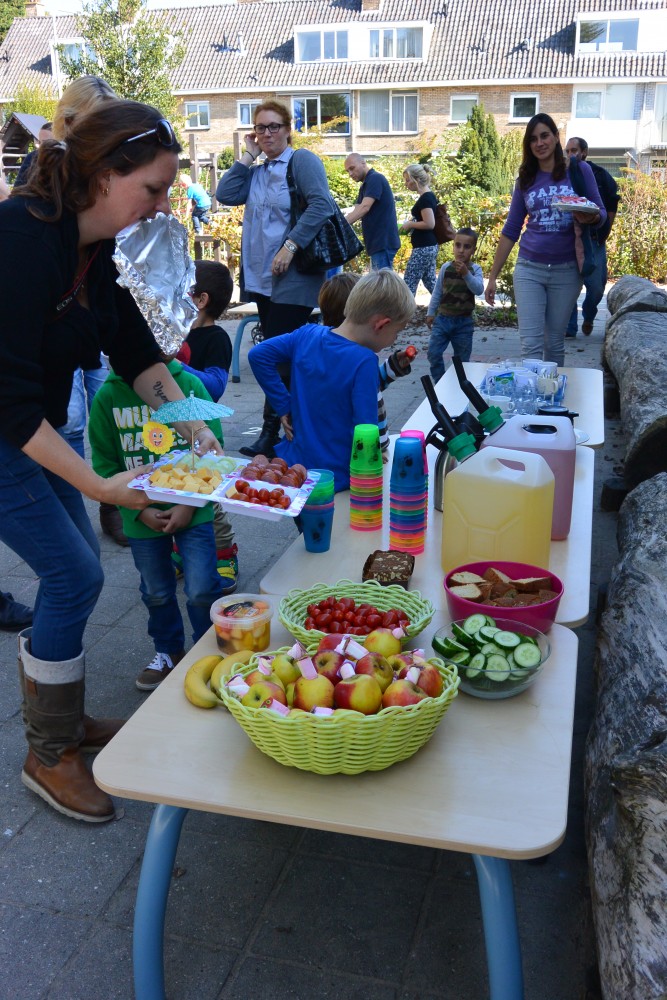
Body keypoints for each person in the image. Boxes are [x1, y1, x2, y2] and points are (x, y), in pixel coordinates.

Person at [0, 98, 222, 824]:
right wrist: (98, 484)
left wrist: (192, 423)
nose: (163, 205)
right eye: (152, 189)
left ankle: (63, 726)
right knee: (76, 573)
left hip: (29, 431)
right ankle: (47, 752)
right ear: (101, 174)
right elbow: (11, 403)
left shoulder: (91, 250)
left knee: (74, 577)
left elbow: (134, 354)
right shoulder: (23, 243)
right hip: (8, 434)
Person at [89, 358, 226, 691]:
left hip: (194, 509)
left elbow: (215, 454)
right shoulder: (107, 397)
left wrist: (188, 504)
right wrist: (137, 511)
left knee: (202, 587)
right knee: (156, 591)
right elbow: (106, 465)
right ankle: (168, 651)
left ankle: (210, 652)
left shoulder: (189, 386)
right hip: (140, 517)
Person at [216, 100, 333, 458]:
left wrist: (291, 246)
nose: (267, 134)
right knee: (282, 355)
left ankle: (272, 433)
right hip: (263, 279)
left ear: (287, 129)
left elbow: (322, 205)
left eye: (274, 127)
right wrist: (246, 157)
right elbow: (224, 194)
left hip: (293, 276)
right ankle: (295, 427)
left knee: (272, 356)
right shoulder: (258, 171)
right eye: (260, 128)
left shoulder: (302, 162)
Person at [248, 269, 415, 491]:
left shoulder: (306, 334)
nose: (395, 340)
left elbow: (258, 355)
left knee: (307, 525)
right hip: (338, 478)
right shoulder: (364, 361)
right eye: (397, 332)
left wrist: (283, 405)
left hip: (297, 471)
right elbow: (366, 430)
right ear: (381, 324)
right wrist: (371, 482)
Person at [485, 113, 606, 367]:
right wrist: (493, 276)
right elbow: (511, 229)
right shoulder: (525, 180)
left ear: (555, 137)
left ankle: (551, 402)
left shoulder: (578, 170)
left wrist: (589, 217)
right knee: (531, 344)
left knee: (554, 343)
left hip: (568, 271)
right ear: (528, 146)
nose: (539, 143)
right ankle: (531, 403)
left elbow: (601, 213)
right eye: (533, 139)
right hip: (529, 268)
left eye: (544, 136)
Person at [173, 260, 239, 591]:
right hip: (172, 430)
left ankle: (224, 554)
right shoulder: (173, 332)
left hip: (203, 432)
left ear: (200, 299)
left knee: (208, 501)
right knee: (174, 494)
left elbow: (214, 385)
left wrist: (174, 367)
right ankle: (180, 552)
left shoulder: (216, 339)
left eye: (181, 288)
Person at [317, 271, 414, 455]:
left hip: (375, 448)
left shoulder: (360, 360)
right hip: (368, 452)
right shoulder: (356, 361)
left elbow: (370, 386)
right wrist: (372, 452)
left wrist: (393, 367)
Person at [564, 136, 620, 338]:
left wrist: (604, 232)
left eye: (574, 150)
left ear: (584, 152)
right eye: (567, 150)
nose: (570, 154)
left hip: (594, 239)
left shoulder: (599, 175)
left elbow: (611, 206)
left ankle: (588, 314)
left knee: (596, 288)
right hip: (569, 240)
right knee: (568, 285)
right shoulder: (563, 173)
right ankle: (569, 328)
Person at [426, 228, 484, 382]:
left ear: (473, 250)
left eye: (466, 247)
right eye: (457, 245)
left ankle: (460, 386)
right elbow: (437, 292)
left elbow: (478, 289)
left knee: (462, 360)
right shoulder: (446, 267)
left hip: (464, 323)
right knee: (433, 353)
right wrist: (431, 312)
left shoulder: (475, 269)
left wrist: (466, 274)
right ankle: (440, 382)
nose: (461, 250)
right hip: (443, 319)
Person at [344, 153, 401, 271]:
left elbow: (365, 207)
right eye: (347, 171)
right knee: (380, 286)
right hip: (377, 244)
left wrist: (340, 225)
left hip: (383, 243)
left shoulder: (375, 178)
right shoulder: (365, 185)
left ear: (363, 163)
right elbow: (357, 210)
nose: (350, 174)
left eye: (352, 168)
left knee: (383, 287)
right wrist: (341, 221)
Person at [399, 162, 438, 296]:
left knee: (409, 283)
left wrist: (410, 224)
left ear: (416, 180)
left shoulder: (426, 198)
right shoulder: (428, 196)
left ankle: (405, 315)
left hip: (423, 247)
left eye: (408, 180)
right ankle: (449, 309)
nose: (406, 184)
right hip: (428, 246)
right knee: (430, 281)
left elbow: (429, 223)